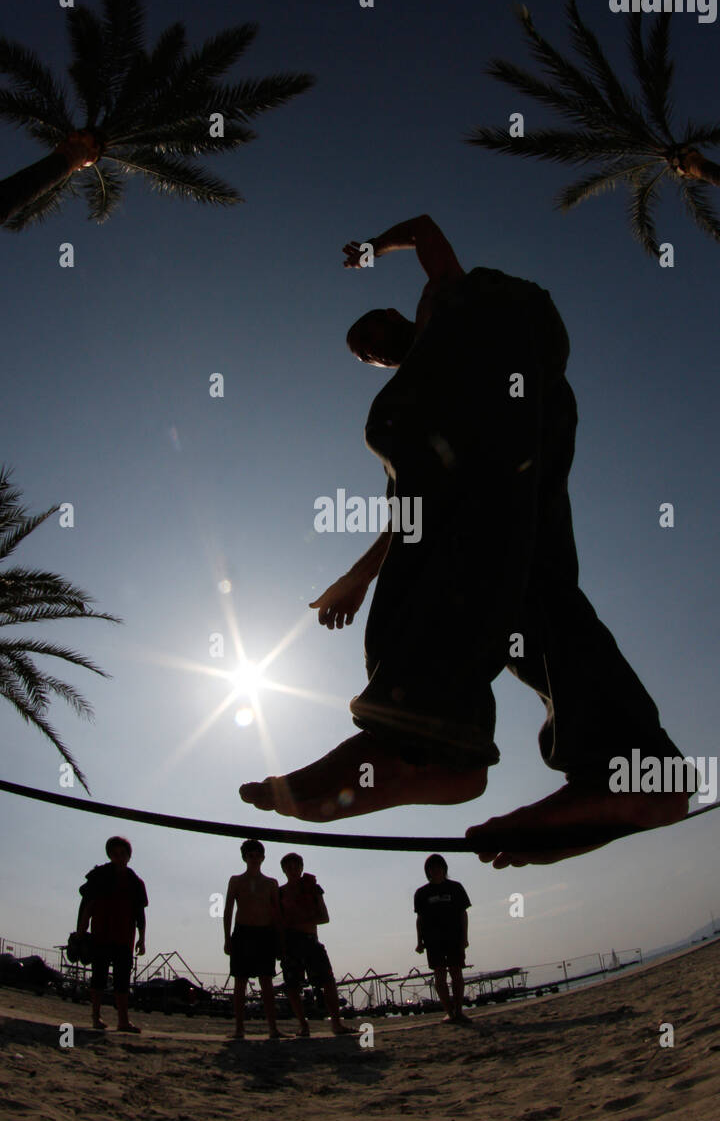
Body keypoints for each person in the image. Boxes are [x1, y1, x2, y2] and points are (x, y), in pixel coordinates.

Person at [241, 214, 691, 867]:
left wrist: (375, 245)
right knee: (526, 580)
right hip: (521, 415)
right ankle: (634, 773)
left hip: (500, 350)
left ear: (401, 315)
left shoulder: (447, 305)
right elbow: (421, 508)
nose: (373, 350)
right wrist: (360, 576)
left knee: (408, 433)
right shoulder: (470, 402)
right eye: (365, 354)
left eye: (372, 333)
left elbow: (426, 228)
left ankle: (426, 743)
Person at [77, 835, 147, 1034]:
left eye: (123, 854)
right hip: (102, 933)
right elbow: (89, 904)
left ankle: (123, 1020)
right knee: (98, 976)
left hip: (124, 936)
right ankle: (95, 1016)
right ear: (110, 855)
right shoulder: (100, 875)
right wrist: (83, 927)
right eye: (115, 854)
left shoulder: (135, 882)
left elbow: (140, 913)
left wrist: (142, 938)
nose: (119, 857)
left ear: (128, 856)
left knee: (122, 980)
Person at [278, 852, 351, 1036]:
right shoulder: (280, 893)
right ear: (284, 870)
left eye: (296, 867)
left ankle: (336, 1023)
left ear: (301, 868)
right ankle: (303, 1025)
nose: (293, 870)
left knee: (327, 981)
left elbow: (324, 917)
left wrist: (299, 920)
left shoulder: (312, 888)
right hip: (290, 942)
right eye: (289, 867)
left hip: (310, 941)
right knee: (292, 985)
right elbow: (277, 920)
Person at [223, 839, 282, 1040]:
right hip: (242, 933)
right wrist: (226, 938)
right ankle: (239, 1028)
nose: (254, 858)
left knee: (266, 981)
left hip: (265, 934)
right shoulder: (236, 880)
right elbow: (228, 909)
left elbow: (276, 913)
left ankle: (273, 1028)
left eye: (257, 855)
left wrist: (278, 939)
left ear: (263, 857)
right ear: (245, 857)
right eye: (250, 855)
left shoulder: (271, 883)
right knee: (240, 980)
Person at [414, 854, 471, 1023]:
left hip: (454, 936)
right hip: (433, 940)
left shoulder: (456, 887)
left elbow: (463, 913)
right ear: (428, 871)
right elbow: (420, 918)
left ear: (444, 869)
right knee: (439, 976)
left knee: (456, 972)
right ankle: (449, 1012)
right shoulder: (421, 893)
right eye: (432, 868)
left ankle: (459, 1010)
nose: (436, 871)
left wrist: (465, 937)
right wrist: (419, 941)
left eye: (439, 867)